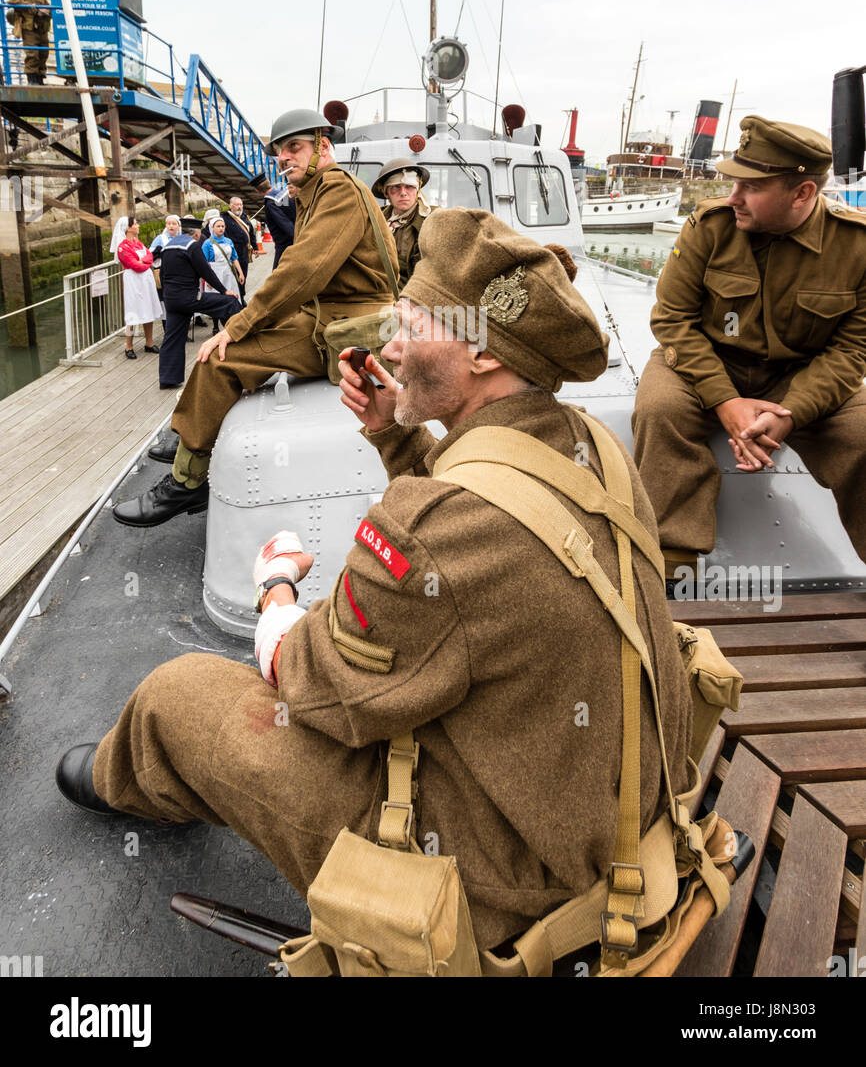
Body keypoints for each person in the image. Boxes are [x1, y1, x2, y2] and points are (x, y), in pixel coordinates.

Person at [55, 207, 691, 957]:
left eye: (414, 323)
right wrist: (397, 432)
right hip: (617, 829)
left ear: (484, 355)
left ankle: (128, 777)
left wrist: (277, 592)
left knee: (180, 695)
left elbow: (312, 681)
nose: (389, 345)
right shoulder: (592, 448)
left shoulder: (433, 530)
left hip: (514, 891)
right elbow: (493, 505)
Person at [112, 108, 398, 526]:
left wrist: (237, 325)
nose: (284, 158)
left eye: (294, 148)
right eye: (280, 151)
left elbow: (303, 270)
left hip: (343, 327)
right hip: (332, 315)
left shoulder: (337, 191)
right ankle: (192, 437)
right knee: (227, 351)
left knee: (219, 359)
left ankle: (187, 483)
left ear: (323, 146)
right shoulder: (319, 190)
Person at [632, 114, 866, 580]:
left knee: (863, 435)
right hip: (704, 362)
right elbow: (673, 320)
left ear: (802, 194)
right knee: (660, 411)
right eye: (734, 182)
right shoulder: (710, 227)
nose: (733, 196)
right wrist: (726, 401)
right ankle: (669, 564)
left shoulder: (856, 245)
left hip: (803, 373)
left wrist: (793, 411)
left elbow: (851, 351)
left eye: (752, 187)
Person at [149, 215, 241, 397]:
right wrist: (224, 290)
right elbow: (206, 271)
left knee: (172, 337)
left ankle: (168, 379)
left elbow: (164, 273)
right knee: (228, 303)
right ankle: (240, 339)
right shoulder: (192, 246)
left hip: (172, 300)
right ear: (197, 234)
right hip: (190, 297)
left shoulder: (168, 246)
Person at [372, 155, 434, 288]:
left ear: (418, 189)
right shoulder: (374, 220)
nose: (403, 193)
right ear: (386, 192)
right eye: (396, 187)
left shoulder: (433, 221)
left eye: (409, 187)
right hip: (378, 294)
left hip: (414, 297)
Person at [110, 217, 161, 359]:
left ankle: (149, 343)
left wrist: (142, 261)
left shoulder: (137, 243)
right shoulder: (122, 247)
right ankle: (129, 346)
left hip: (145, 279)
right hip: (133, 279)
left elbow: (149, 256)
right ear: (128, 228)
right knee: (133, 311)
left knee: (148, 308)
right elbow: (135, 265)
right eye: (135, 224)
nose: (138, 225)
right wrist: (143, 262)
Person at [6, 0, 51, 84]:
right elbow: (16, 2)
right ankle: (32, 80)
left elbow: (48, 6)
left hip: (41, 28)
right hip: (28, 27)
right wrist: (36, 9)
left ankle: (40, 79)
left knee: (43, 53)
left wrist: (44, 10)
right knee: (32, 54)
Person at [252, 170, 296, 266]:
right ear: (269, 183)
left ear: (257, 191)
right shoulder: (283, 194)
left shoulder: (271, 204)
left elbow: (285, 224)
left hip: (285, 245)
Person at [201, 215, 245, 304]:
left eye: (222, 226)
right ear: (212, 228)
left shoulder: (229, 241)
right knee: (215, 298)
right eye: (218, 226)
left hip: (228, 273)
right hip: (214, 273)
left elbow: (234, 258)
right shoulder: (207, 243)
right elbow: (203, 263)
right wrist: (207, 279)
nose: (221, 228)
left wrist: (241, 273)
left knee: (230, 294)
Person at [222, 195, 257, 281]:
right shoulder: (225, 218)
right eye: (237, 205)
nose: (239, 207)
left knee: (243, 276)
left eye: (241, 205)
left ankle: (242, 293)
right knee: (234, 278)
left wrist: (255, 248)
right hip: (232, 253)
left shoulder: (244, 217)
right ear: (230, 206)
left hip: (244, 253)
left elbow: (251, 233)